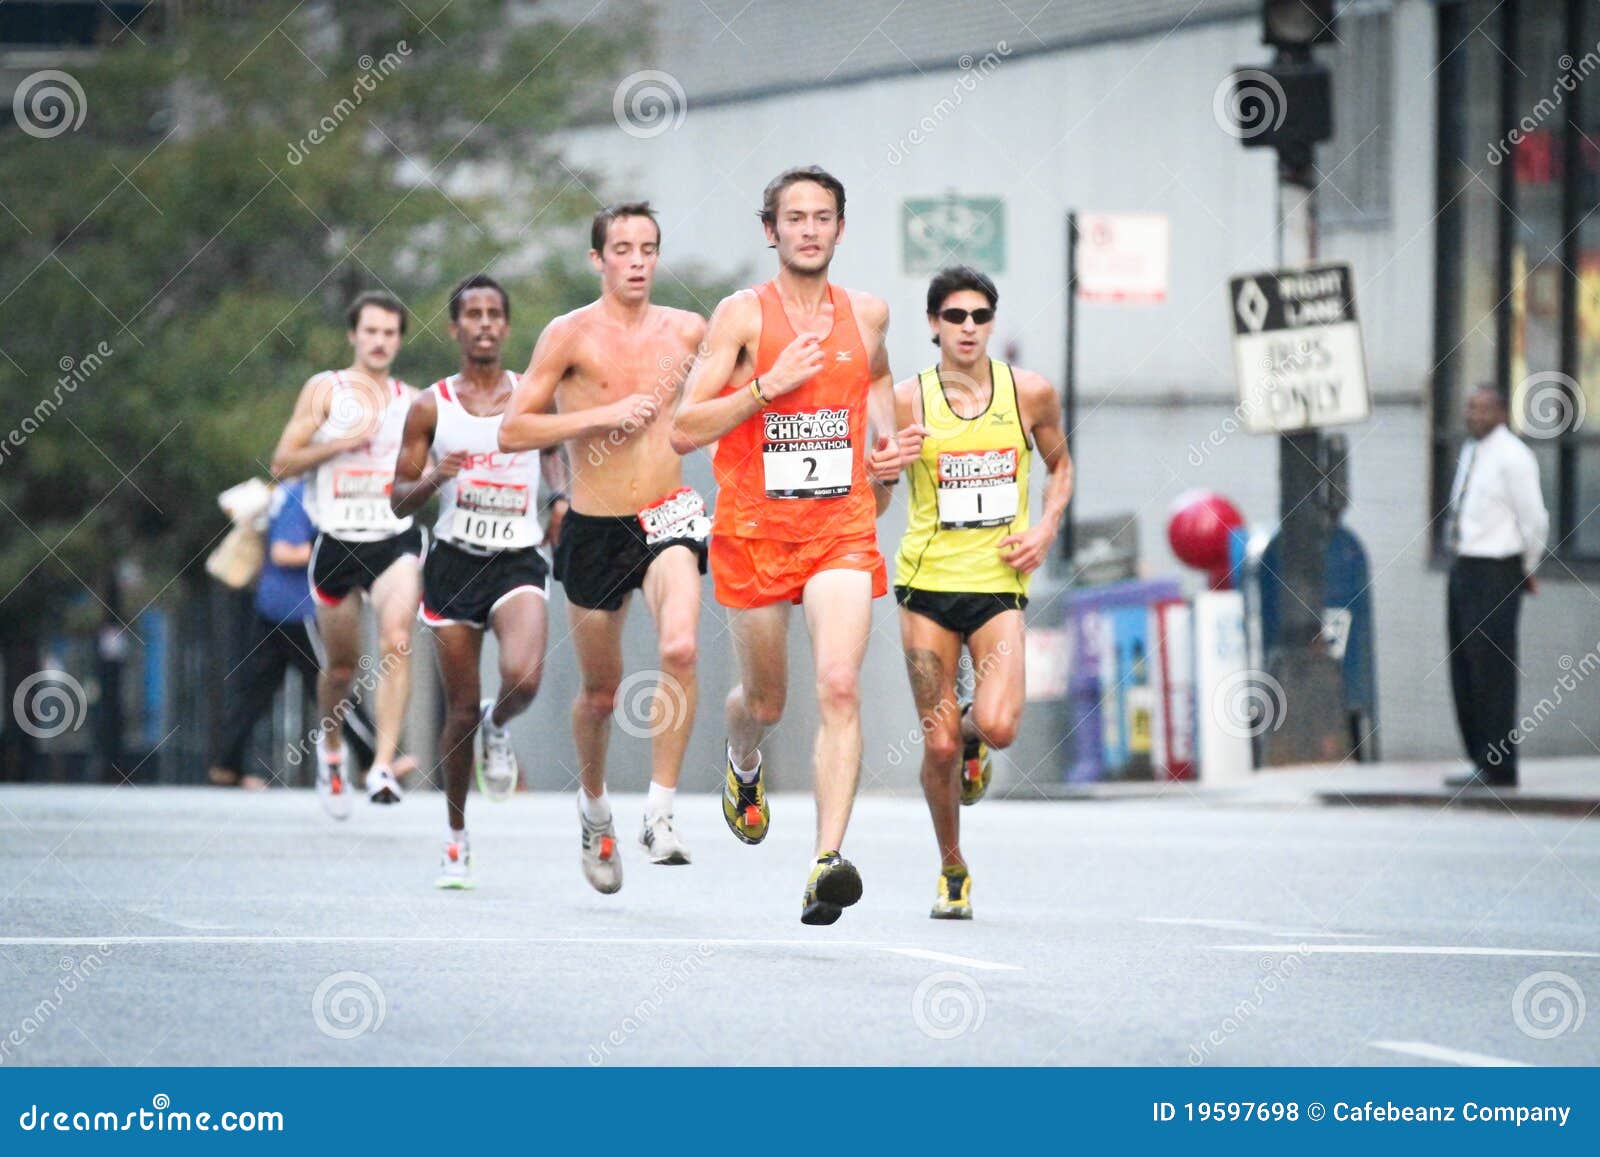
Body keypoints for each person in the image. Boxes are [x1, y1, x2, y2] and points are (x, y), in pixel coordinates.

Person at [671, 166, 923, 925]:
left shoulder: (868, 313)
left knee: (839, 685)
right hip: (754, 532)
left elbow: (876, 381)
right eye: (794, 218)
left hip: (840, 529)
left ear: (841, 228)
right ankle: (743, 759)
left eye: (822, 217)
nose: (809, 230)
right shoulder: (741, 316)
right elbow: (683, 427)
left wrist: (884, 451)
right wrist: (765, 387)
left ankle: (825, 862)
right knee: (767, 701)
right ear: (770, 230)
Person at [500, 203, 707, 892]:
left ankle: (660, 812)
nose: (637, 261)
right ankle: (594, 811)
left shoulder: (688, 330)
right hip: (594, 526)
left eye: (648, 248)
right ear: (598, 259)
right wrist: (602, 415)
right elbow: (513, 429)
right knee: (599, 693)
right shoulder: (569, 334)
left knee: (681, 647)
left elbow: (725, 400)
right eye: (623, 249)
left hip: (668, 515)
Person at [890, 266, 1073, 919]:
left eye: (980, 316)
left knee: (996, 726)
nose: (968, 327)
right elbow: (876, 484)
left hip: (997, 585)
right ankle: (952, 866)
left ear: (991, 323)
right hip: (926, 586)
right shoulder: (907, 400)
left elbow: (1061, 465)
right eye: (955, 316)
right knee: (936, 744)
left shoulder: (1030, 394)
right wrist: (882, 467)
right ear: (934, 323)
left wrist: (1045, 528)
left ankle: (970, 736)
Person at [392, 274, 565, 889]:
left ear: (506, 327)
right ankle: (456, 836)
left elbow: (553, 452)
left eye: (494, 313)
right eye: (473, 314)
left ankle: (500, 722)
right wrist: (437, 476)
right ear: (455, 328)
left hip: (517, 559)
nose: (485, 323)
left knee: (525, 676)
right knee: (459, 709)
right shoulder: (430, 406)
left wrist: (561, 498)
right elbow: (398, 499)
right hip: (454, 563)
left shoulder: (532, 395)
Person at [270, 292, 423, 817]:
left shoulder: (412, 400)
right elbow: (281, 463)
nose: (380, 341)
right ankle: (332, 749)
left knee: (397, 639)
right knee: (340, 668)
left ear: (400, 340)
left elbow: (430, 468)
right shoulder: (325, 390)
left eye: (389, 333)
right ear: (353, 335)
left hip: (393, 540)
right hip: (336, 540)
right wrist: (340, 443)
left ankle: (381, 764)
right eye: (371, 331)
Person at [207, 478, 386, 790]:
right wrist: (341, 551)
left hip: (273, 605)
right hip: (297, 609)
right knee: (336, 680)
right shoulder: (301, 495)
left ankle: (226, 766)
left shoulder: (292, 491)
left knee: (254, 692)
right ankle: (374, 760)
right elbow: (283, 552)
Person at [1442, 386, 1548, 790]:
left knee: (1493, 669)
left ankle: (1500, 765)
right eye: (1470, 407)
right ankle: (1479, 759)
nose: (1474, 414)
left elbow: (1534, 518)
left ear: (1502, 413)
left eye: (1483, 408)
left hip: (1497, 569)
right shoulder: (1472, 451)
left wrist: (1526, 567)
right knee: (1464, 665)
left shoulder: (1514, 456)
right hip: (1464, 565)